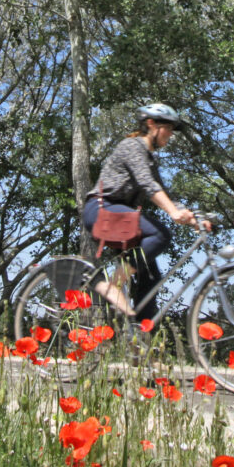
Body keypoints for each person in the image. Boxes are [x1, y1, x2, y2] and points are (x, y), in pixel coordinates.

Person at [82, 103, 197, 320]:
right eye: (168, 128)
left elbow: (164, 194)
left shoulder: (150, 160)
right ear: (151, 124)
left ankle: (140, 338)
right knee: (160, 234)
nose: (171, 135)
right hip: (101, 210)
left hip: (119, 217)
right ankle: (113, 285)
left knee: (150, 278)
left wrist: (194, 218)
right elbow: (148, 185)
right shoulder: (132, 146)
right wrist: (173, 212)